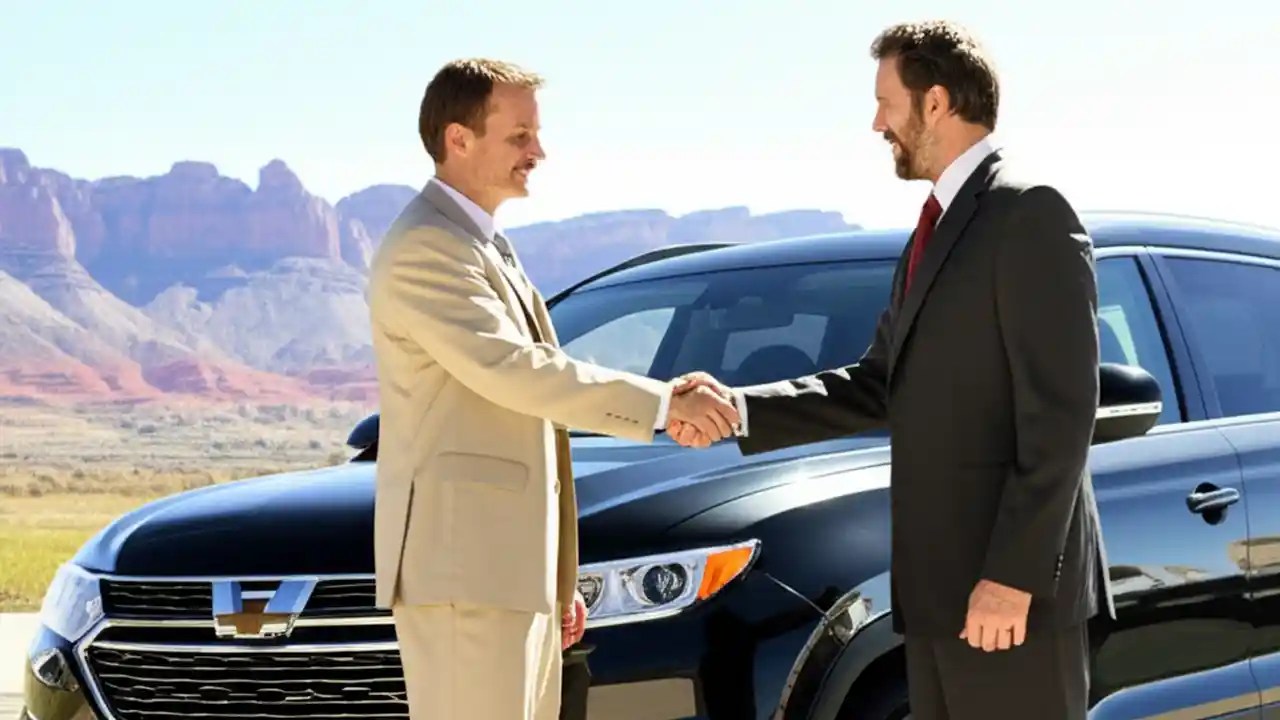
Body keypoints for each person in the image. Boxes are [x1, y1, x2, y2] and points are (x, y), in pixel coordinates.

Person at [668, 21, 1111, 720]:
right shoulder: (934, 228)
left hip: (1008, 598)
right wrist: (741, 408)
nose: (877, 123)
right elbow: (882, 382)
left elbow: (1059, 416)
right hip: (939, 596)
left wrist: (1010, 578)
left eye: (886, 102)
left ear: (935, 102)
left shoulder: (1029, 213)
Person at [367, 58, 740, 720]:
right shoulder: (427, 247)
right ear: (458, 139)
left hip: (506, 576)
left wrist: (557, 579)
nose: (539, 152)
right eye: (519, 136)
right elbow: (516, 372)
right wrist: (660, 405)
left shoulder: (482, 245)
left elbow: (526, 426)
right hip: (467, 576)